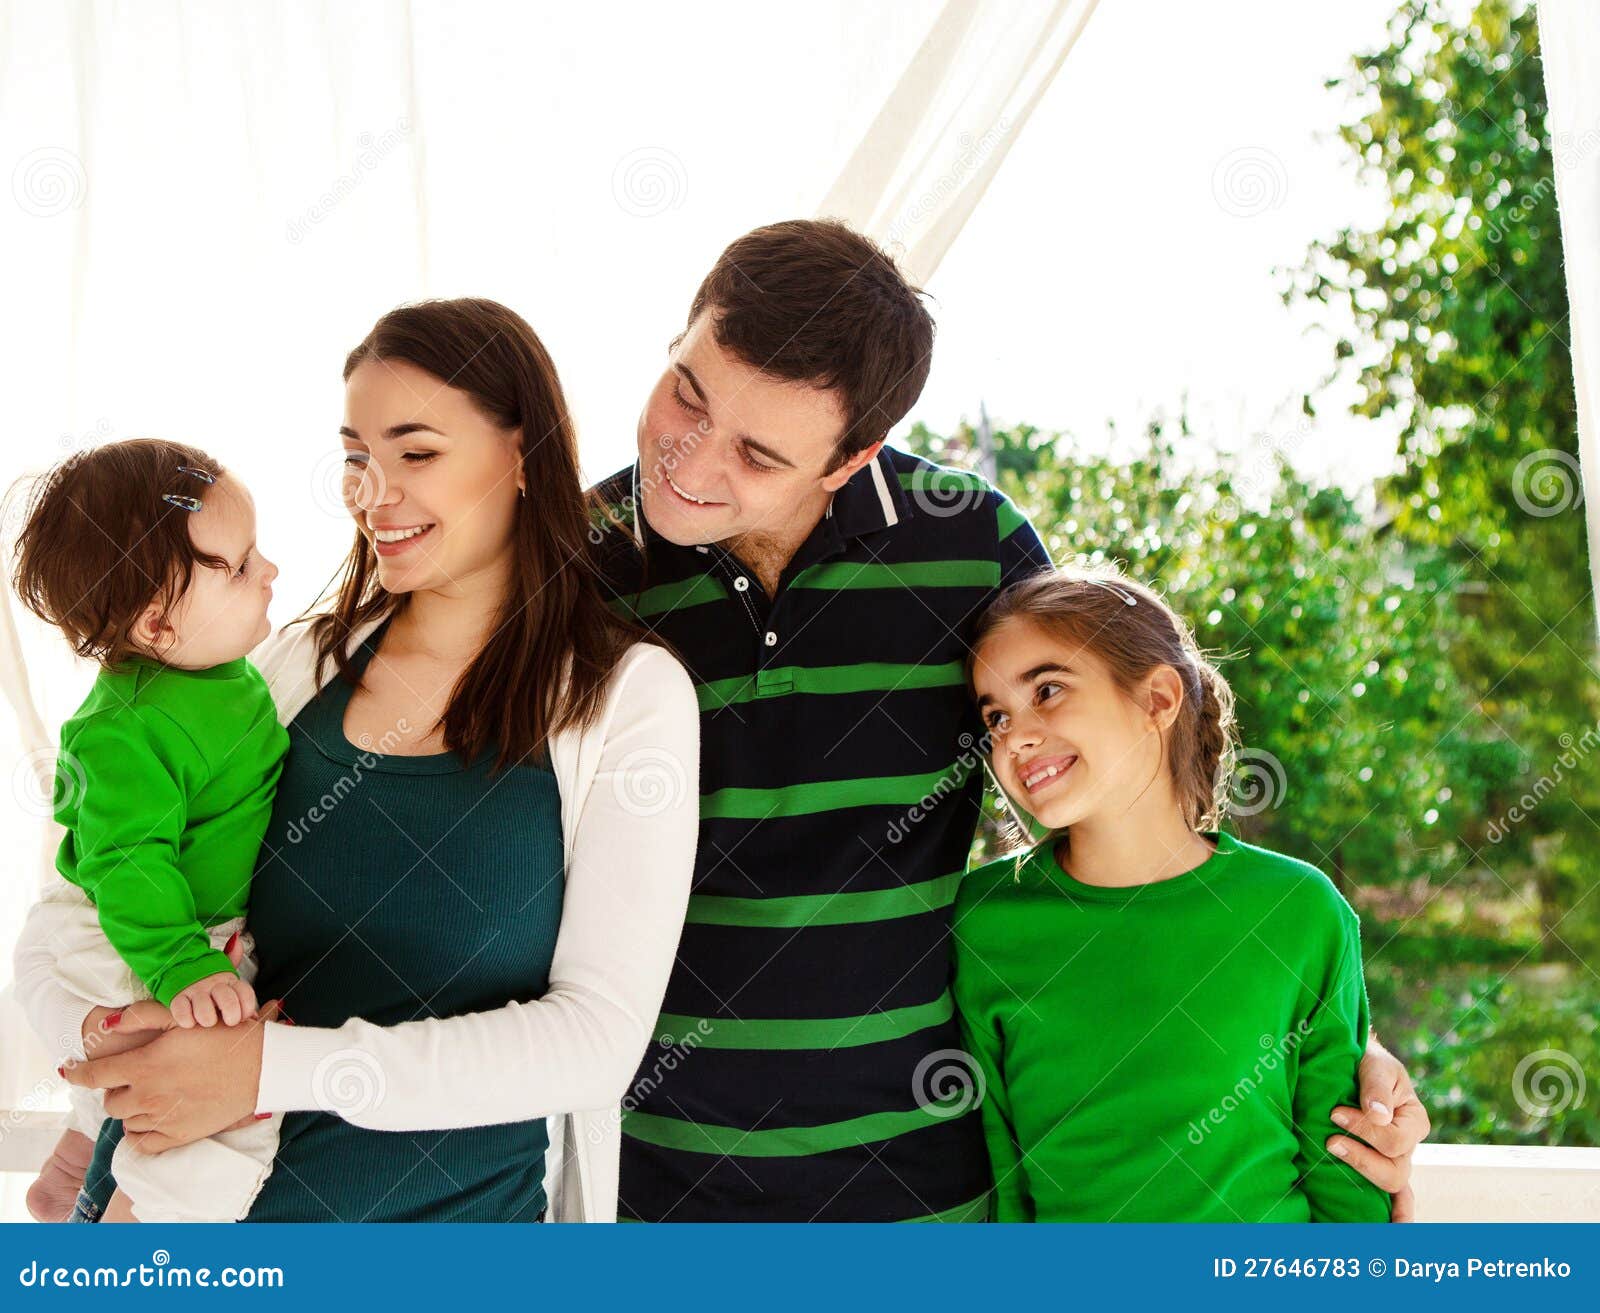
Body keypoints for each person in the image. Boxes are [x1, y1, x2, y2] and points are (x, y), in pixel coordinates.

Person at [587, 218, 1428, 1222]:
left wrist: (1333, 1034)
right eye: (687, 391)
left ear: (852, 457)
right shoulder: (574, 558)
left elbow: (1115, 795)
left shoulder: (972, 543)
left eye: (759, 454)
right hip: (650, 1185)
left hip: (924, 1194)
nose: (688, 460)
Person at [18, 298, 699, 1221]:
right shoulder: (284, 669)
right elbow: (82, 899)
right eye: (355, 456)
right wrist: (100, 1035)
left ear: (523, 454)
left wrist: (266, 1067)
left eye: (416, 454)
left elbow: (593, 1043)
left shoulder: (625, 699)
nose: (372, 493)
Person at [955, 568, 1389, 1222]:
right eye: (996, 716)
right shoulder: (982, 923)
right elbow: (998, 1186)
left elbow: (1345, 1178)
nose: (1015, 736)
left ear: (1158, 698)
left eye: (1048, 689)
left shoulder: (1300, 910)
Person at [12, 439, 287, 1222]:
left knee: (149, 1062)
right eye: (239, 567)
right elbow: (129, 861)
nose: (269, 570)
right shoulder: (122, 730)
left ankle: (70, 1167)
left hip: (163, 923)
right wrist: (180, 965)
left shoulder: (216, 670)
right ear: (159, 625)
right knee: (225, 1112)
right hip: (135, 928)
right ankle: (137, 1235)